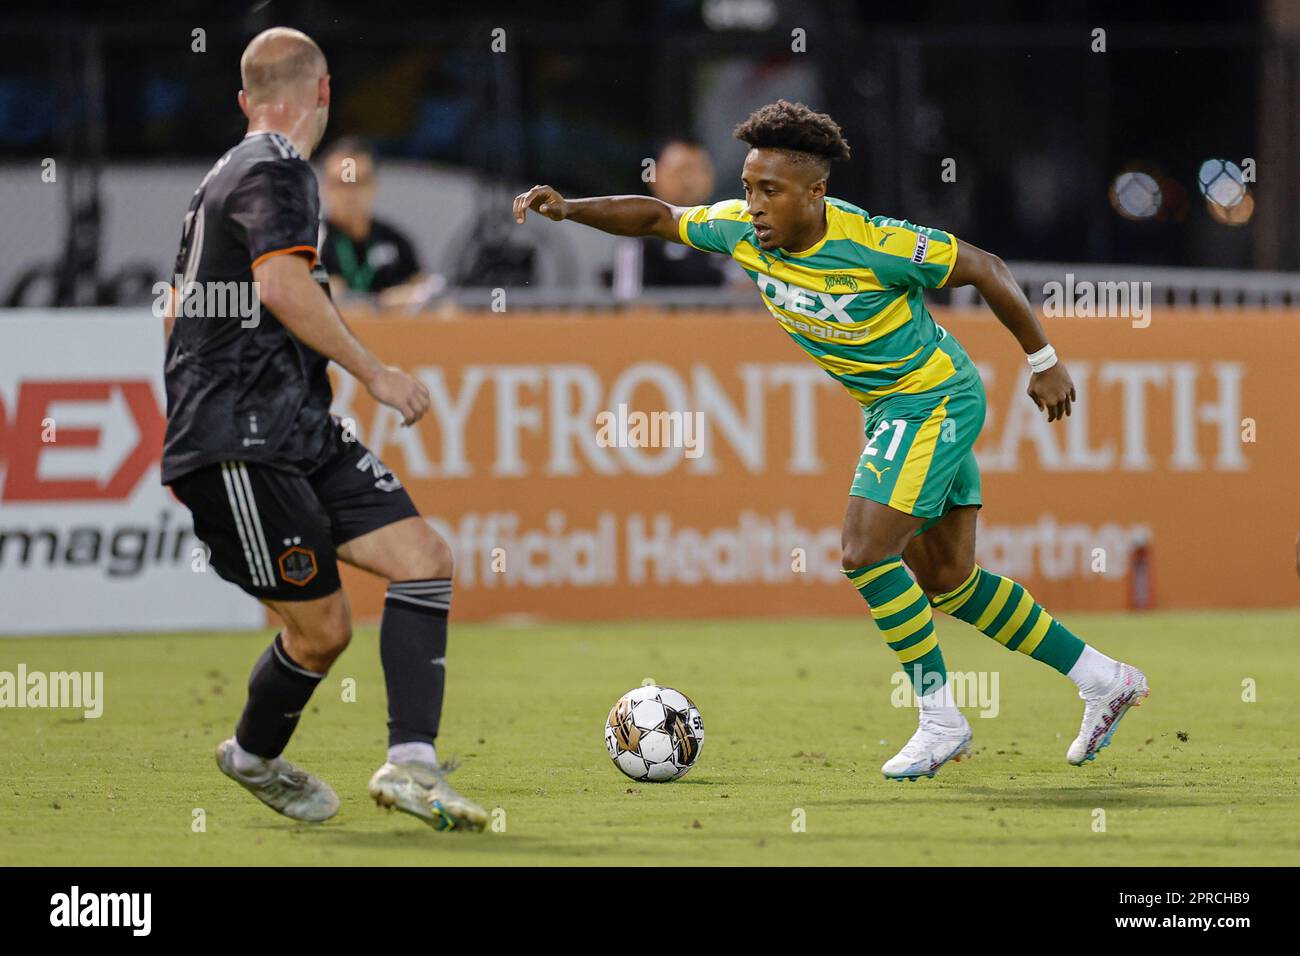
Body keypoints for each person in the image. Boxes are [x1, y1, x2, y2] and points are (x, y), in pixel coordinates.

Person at [514, 99, 1148, 782]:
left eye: (771, 191)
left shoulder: (876, 242)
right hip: (891, 408)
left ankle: (941, 719)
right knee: (948, 583)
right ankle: (1103, 678)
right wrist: (569, 207)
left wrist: (1044, 361)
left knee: (863, 552)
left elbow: (987, 267)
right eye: (749, 188)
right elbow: (659, 218)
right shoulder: (739, 231)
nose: (753, 205)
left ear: (816, 194)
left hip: (932, 399)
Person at [162, 26, 486, 829]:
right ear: (326, 90)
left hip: (295, 427)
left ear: (245, 99)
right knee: (322, 633)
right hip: (240, 444)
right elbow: (279, 286)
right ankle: (251, 754)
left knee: (423, 559)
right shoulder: (276, 165)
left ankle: (411, 765)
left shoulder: (226, 174)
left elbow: (179, 313)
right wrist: (374, 372)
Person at [318, 137, 437, 309]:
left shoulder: (395, 241)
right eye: (341, 184)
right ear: (324, 187)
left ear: (374, 186)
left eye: (359, 182)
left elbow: (427, 291)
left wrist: (417, 295)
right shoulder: (311, 240)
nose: (350, 194)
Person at [607, 139, 728, 297]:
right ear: (654, 175)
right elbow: (626, 306)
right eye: (681, 170)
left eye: (700, 170)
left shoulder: (728, 235)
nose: (689, 181)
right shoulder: (635, 239)